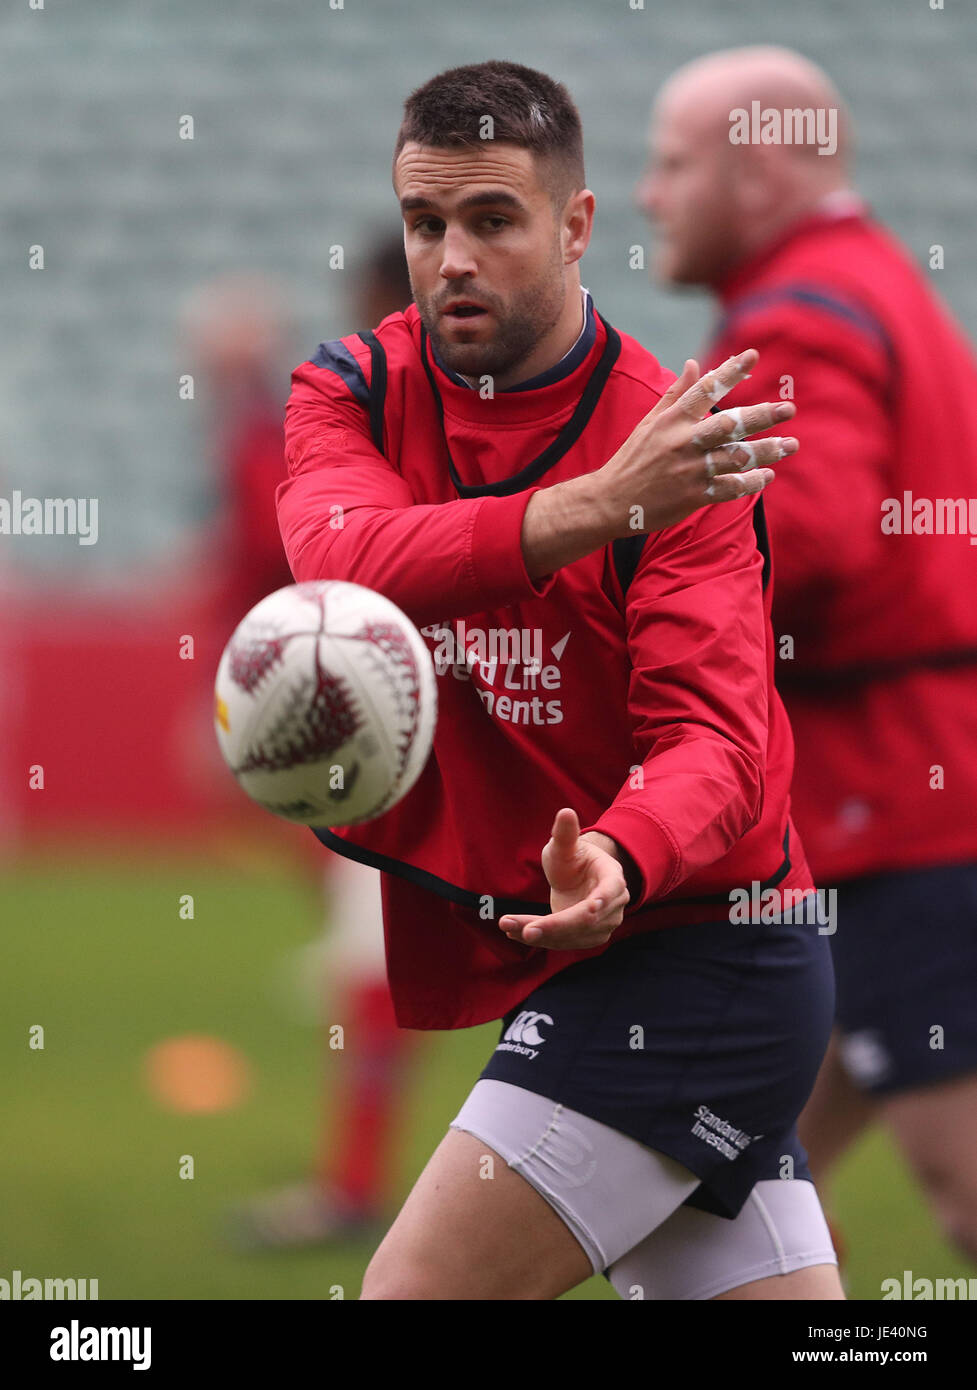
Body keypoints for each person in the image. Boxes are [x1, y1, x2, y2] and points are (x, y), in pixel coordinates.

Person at [278, 59, 843, 1301]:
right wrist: (592, 506)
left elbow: (715, 742)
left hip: (699, 953)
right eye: (426, 225)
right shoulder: (355, 389)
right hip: (592, 959)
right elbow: (339, 561)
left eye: (491, 220)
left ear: (577, 225)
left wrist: (623, 856)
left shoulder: (676, 447)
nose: (450, 260)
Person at [638, 45, 977, 1265]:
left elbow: (810, 536)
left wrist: (621, 553)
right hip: (875, 813)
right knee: (717, 1176)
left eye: (671, 164)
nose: (644, 195)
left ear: (762, 165)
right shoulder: (871, 281)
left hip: (891, 817)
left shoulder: (795, 311)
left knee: (959, 1189)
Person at [186, 249, 421, 1247]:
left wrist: (241, 384)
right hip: (394, 717)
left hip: (399, 731)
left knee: (379, 965)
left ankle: (353, 1188)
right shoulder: (379, 414)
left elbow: (269, 519)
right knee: (375, 953)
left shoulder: (384, 419)